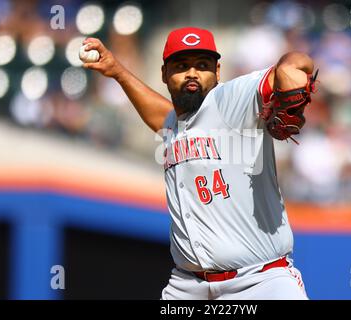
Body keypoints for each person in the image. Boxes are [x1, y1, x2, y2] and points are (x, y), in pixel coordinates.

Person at [83, 26, 316, 300]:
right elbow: (161, 116)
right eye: (182, 66)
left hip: (259, 282)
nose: (192, 73)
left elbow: (300, 62)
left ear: (217, 72)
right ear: (164, 74)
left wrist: (290, 67)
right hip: (187, 287)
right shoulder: (175, 125)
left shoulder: (231, 100)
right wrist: (117, 71)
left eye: (202, 65)